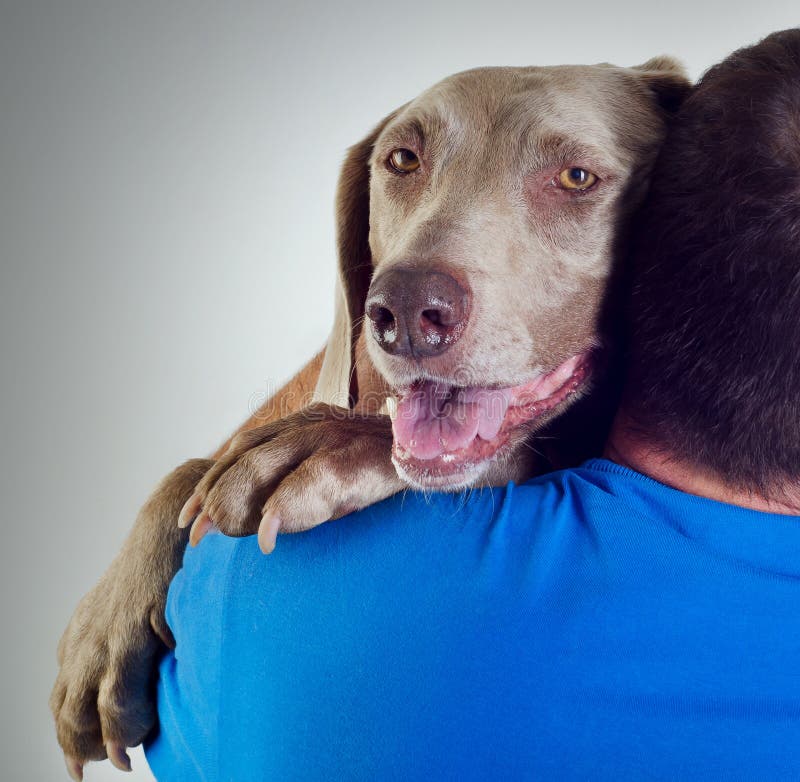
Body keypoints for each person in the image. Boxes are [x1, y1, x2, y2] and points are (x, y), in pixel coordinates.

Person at [145, 30, 800, 781]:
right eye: (405, 164)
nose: (411, 285)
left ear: (679, 231)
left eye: (578, 177)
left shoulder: (255, 594)